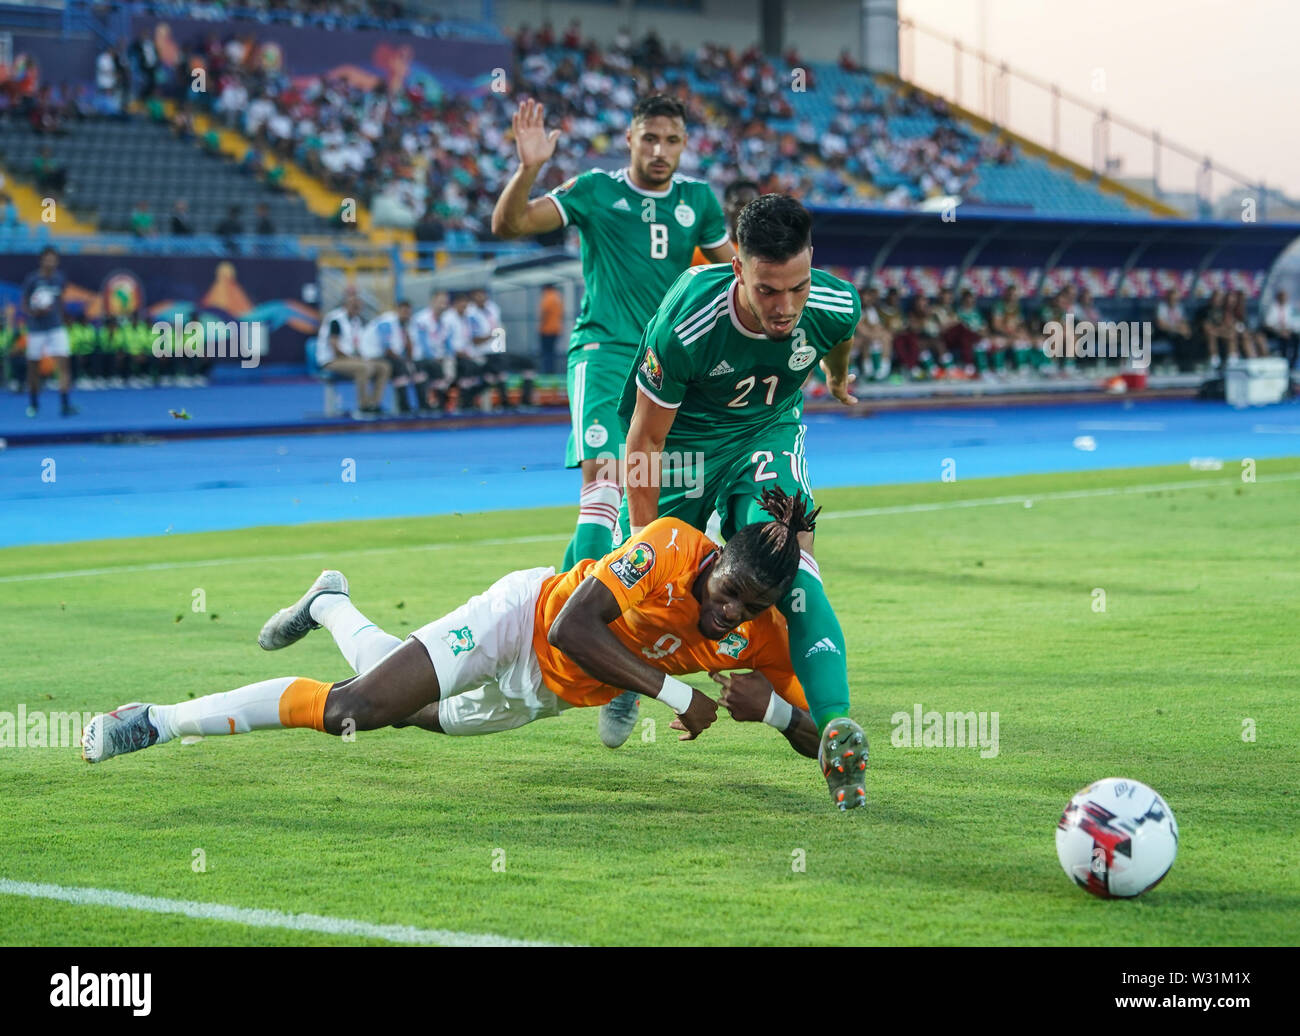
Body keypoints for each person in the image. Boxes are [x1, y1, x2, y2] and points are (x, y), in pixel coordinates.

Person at [82, 491, 850, 800]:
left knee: (394, 701)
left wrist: (782, 719)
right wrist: (676, 693)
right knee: (362, 707)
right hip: (518, 621)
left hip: (543, 698)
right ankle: (154, 720)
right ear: (715, 561)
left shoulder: (763, 632)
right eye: (726, 596)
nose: (728, 619)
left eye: (748, 610)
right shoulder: (670, 546)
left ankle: (330, 602)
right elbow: (570, 627)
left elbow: (830, 741)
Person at [612, 194, 868, 809]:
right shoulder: (688, 323)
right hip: (683, 445)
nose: (786, 307)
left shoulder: (833, 303)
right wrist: (646, 544)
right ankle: (626, 668)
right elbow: (646, 438)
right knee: (641, 592)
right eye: (768, 290)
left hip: (766, 434)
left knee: (787, 562)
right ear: (738, 271)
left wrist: (836, 378)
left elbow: (839, 335)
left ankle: (836, 725)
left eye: (797, 287)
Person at [490, 95, 732, 576]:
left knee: (638, 496)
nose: (659, 150)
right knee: (605, 480)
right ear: (629, 139)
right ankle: (580, 629)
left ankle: (556, 601)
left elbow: (737, 275)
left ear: (685, 144)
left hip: (662, 368)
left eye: (671, 140)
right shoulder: (596, 190)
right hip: (602, 356)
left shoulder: (698, 200)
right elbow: (508, 224)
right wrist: (528, 169)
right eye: (649, 139)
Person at [22, 246, 77, 417]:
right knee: (33, 368)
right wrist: (35, 312)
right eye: (47, 258)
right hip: (36, 329)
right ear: (42, 260)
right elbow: (24, 305)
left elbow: (60, 302)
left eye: (53, 259)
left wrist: (63, 318)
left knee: (63, 365)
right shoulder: (32, 280)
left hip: (56, 328)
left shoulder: (59, 279)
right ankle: (33, 404)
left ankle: (65, 404)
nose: (50, 262)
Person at [319, 290, 390, 416]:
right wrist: (358, 360)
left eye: (358, 305)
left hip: (351, 359)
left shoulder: (357, 321)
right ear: (345, 304)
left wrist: (365, 357)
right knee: (363, 367)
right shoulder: (335, 320)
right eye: (353, 304)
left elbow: (358, 347)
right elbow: (335, 348)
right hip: (332, 360)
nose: (356, 307)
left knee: (383, 367)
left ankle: (374, 404)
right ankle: (363, 406)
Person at [692, 179, 758, 265]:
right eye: (739, 204)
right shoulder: (704, 248)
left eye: (753, 204)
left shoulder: (768, 251)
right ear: (725, 207)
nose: (747, 210)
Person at [1263, 289, 1299, 370]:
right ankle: (1284, 360)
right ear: (1278, 297)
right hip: (1275, 332)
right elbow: (1268, 324)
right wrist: (1280, 331)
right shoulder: (1272, 307)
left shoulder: (1288, 308)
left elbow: (1291, 322)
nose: (1284, 299)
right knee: (1284, 339)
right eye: (1283, 297)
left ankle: (1293, 363)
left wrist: (1288, 330)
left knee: (1296, 338)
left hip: (1286, 330)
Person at [537, 282, 564, 376]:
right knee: (552, 352)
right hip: (556, 328)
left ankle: (547, 372)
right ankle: (551, 371)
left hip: (547, 329)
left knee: (546, 353)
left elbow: (544, 313)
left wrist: (541, 326)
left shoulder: (547, 297)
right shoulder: (557, 297)